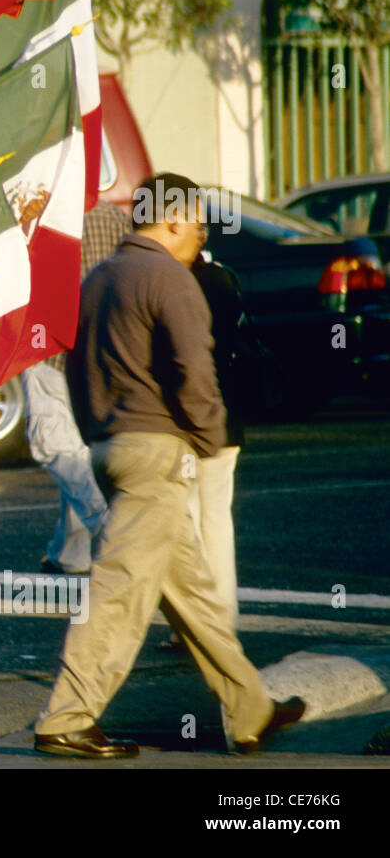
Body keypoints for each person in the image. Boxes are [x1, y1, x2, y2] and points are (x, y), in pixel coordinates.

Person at [33, 173, 304, 759]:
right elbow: (195, 372)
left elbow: (72, 370)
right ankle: (66, 718)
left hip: (109, 446)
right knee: (120, 592)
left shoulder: (98, 279)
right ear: (174, 219)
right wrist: (206, 441)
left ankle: (251, 706)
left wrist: (97, 435)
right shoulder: (170, 278)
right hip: (158, 451)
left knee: (194, 596)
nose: (201, 240)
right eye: (200, 226)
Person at [22, 199, 129, 575]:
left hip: (46, 345)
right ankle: (71, 552)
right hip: (99, 348)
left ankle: (111, 532)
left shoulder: (34, 215)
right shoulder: (113, 216)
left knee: (55, 446)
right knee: (79, 447)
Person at [163, 255, 248, 649]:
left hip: (187, 418)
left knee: (190, 520)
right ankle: (224, 619)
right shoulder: (222, 278)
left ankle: (197, 625)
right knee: (217, 518)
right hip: (227, 412)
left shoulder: (167, 280)